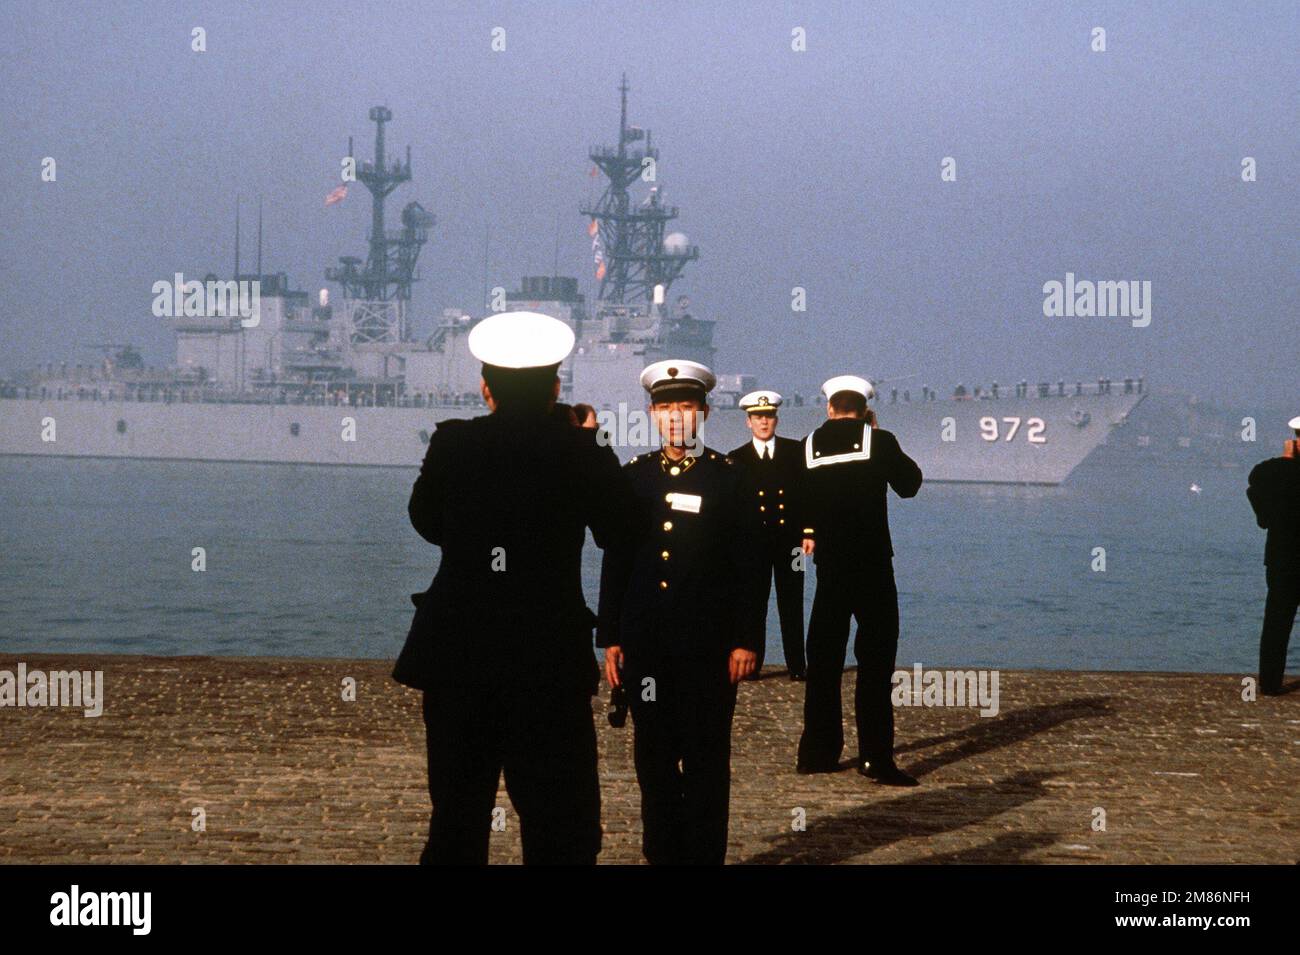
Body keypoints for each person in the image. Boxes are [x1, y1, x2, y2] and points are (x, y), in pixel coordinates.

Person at [392, 310, 635, 864]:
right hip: (546, 664)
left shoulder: (453, 444)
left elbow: (426, 522)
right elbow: (624, 529)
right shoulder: (577, 450)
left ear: (486, 389)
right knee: (561, 825)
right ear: (556, 387)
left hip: (459, 660)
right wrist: (590, 442)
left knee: (456, 819)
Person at [597, 359, 765, 865]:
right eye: (666, 407)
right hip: (647, 643)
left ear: (704, 413)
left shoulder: (728, 479)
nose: (676, 417)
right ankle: (662, 855)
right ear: (651, 413)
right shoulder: (635, 478)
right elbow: (617, 560)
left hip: (709, 646)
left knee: (707, 758)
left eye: (686, 407)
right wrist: (611, 636)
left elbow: (751, 567)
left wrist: (747, 639)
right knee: (653, 758)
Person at [796, 375, 923, 786]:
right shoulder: (879, 442)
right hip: (872, 566)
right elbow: (910, 486)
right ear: (865, 410)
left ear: (830, 408)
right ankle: (875, 757)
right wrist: (880, 436)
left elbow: (799, 502)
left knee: (824, 660)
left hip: (829, 568)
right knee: (875, 660)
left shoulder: (809, 445)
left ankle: (818, 753)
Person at [728, 390, 808, 680]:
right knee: (753, 603)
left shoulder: (794, 452)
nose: (764, 422)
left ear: (776, 419)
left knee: (792, 603)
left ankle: (797, 666)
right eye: (758, 417)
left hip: (791, 544)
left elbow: (807, 496)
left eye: (769, 417)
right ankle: (753, 664)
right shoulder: (736, 459)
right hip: (753, 544)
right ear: (748, 422)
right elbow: (731, 507)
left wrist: (809, 532)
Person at [1246, 415, 1300, 695]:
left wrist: (1287, 460)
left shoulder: (1275, 473)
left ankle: (1269, 682)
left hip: (1283, 560)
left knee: (1277, 624)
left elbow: (1255, 478)